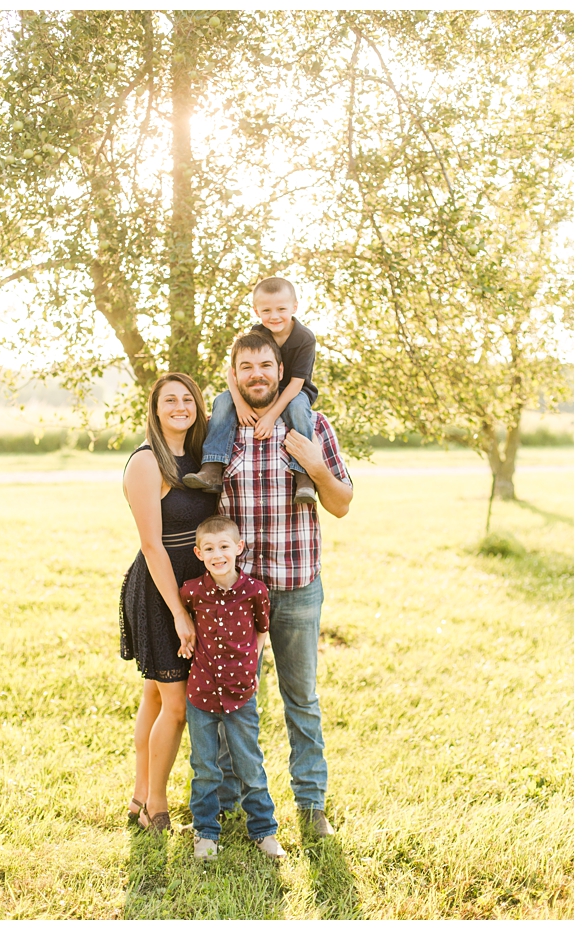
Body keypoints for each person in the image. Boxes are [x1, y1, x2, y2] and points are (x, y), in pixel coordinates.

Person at [212, 328, 353, 843]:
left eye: (264, 366)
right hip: (236, 593)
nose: (256, 375)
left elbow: (340, 503)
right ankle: (226, 803)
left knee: (301, 699)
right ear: (234, 374)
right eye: (245, 367)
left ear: (280, 371)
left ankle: (311, 804)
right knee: (231, 699)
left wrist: (314, 465)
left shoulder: (311, 424)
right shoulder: (220, 433)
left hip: (296, 586)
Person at [118, 373, 217, 833]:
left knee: (155, 695)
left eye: (188, 399)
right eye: (169, 400)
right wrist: (178, 613)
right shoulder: (145, 462)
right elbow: (152, 545)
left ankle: (139, 795)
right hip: (161, 588)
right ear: (155, 409)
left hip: (195, 581)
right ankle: (157, 806)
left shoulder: (199, 456)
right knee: (174, 704)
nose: (180, 406)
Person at [178, 515, 283, 862]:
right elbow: (188, 624)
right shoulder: (192, 591)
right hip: (202, 693)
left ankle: (264, 831)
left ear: (238, 548)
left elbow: (262, 631)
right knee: (205, 766)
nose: (217, 554)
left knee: (249, 764)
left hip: (241, 694)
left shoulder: (255, 591)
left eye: (224, 546)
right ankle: (206, 832)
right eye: (209, 548)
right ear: (198, 552)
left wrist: (251, 668)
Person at [186, 276, 322, 505]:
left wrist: (270, 417)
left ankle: (303, 476)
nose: (274, 316)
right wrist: (238, 402)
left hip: (293, 391)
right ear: (256, 311)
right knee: (222, 401)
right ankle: (212, 468)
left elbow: (296, 383)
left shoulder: (304, 338)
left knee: (298, 409)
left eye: (281, 309)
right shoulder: (257, 333)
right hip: (259, 388)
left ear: (294, 307)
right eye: (266, 310)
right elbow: (232, 373)